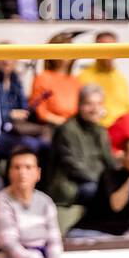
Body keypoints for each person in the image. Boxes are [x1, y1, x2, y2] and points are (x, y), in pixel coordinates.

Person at [46, 85, 117, 214]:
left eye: (98, 104)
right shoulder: (67, 129)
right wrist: (104, 183)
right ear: (79, 105)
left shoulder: (101, 130)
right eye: (89, 104)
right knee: (97, 190)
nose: (94, 109)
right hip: (70, 186)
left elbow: (110, 162)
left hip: (96, 181)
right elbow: (75, 167)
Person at [75, 32, 129, 127]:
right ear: (95, 49)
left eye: (111, 48)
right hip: (96, 128)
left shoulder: (121, 78)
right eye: (104, 48)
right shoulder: (83, 77)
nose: (108, 53)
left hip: (121, 129)